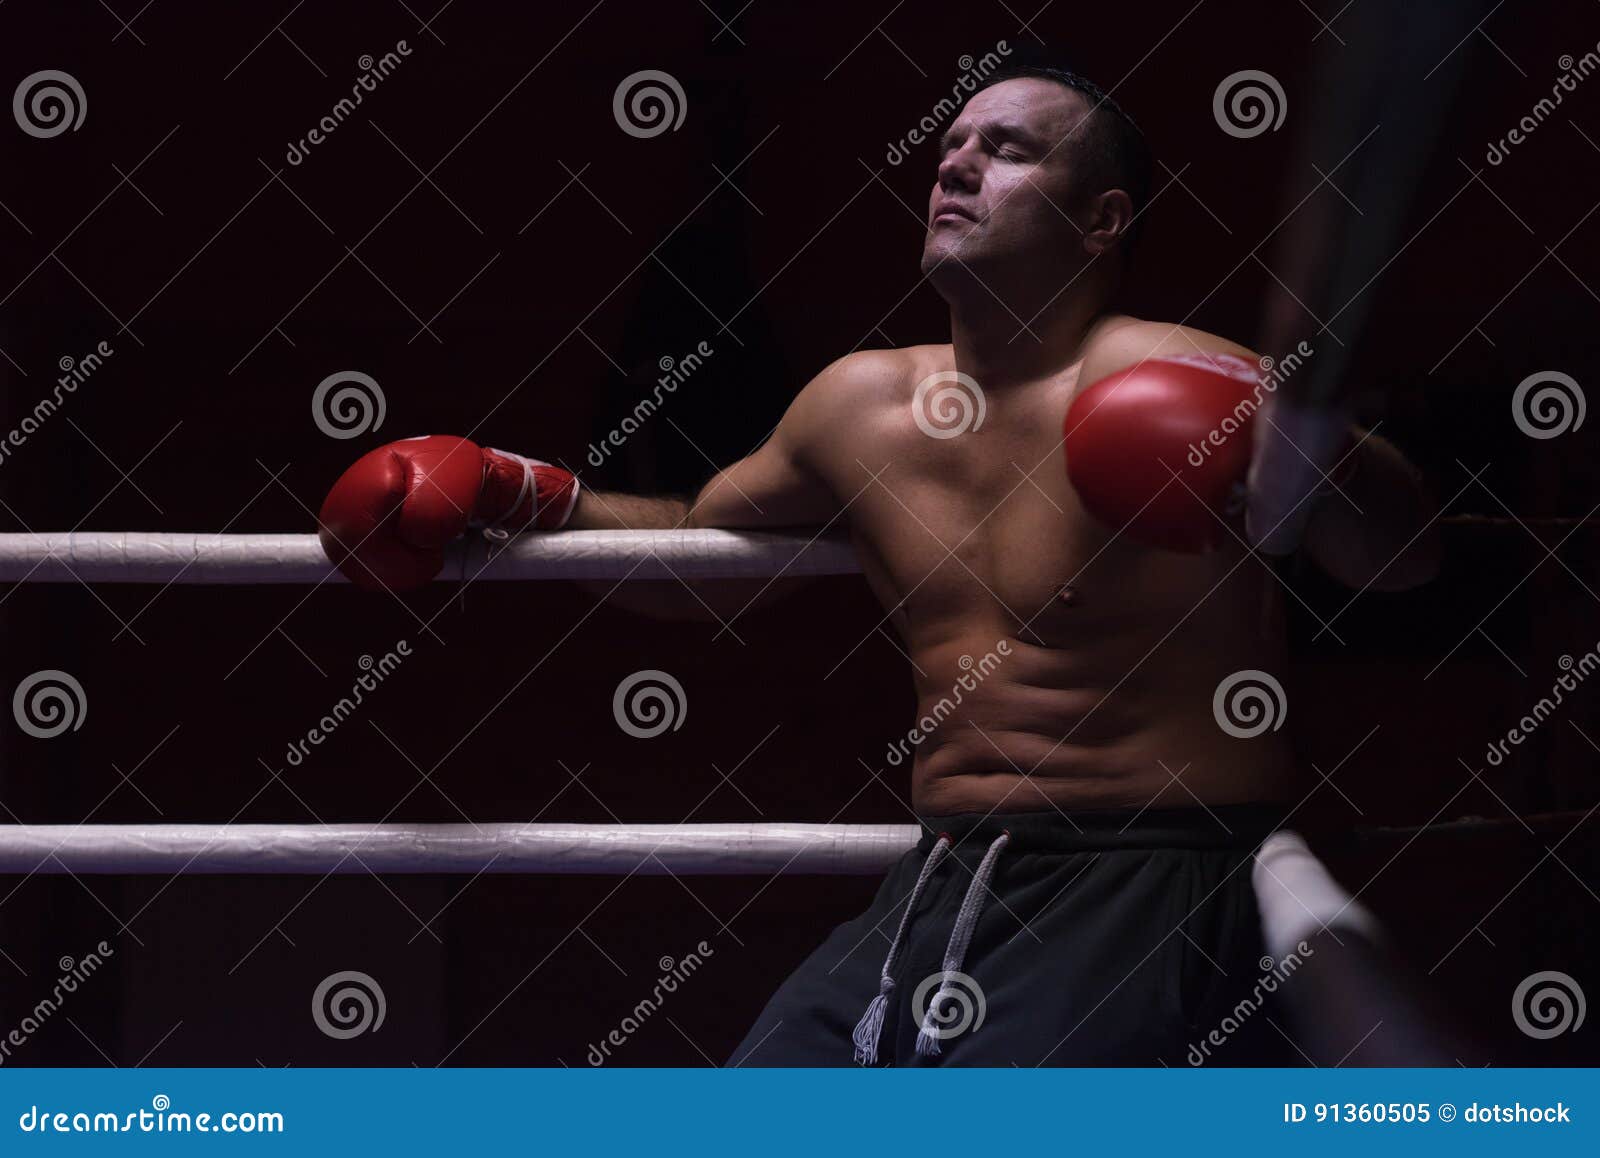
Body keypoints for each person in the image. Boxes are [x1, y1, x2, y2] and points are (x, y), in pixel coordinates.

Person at [318, 60, 1441, 1065]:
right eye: (950, 149)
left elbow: (1401, 560)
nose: (957, 168)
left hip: (1151, 873)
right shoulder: (859, 408)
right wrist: (524, 494)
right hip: (945, 870)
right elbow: (694, 563)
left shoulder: (1170, 372)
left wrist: (1318, 463)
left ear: (1103, 219)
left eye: (1005, 151)